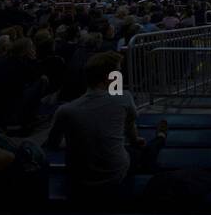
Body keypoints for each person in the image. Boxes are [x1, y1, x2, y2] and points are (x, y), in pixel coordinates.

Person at [44, 52, 166, 201]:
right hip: (116, 174)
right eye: (118, 72)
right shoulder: (124, 98)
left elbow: (52, 144)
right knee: (144, 151)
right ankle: (160, 137)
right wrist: (135, 140)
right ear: (110, 77)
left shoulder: (65, 110)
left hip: (79, 178)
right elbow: (130, 129)